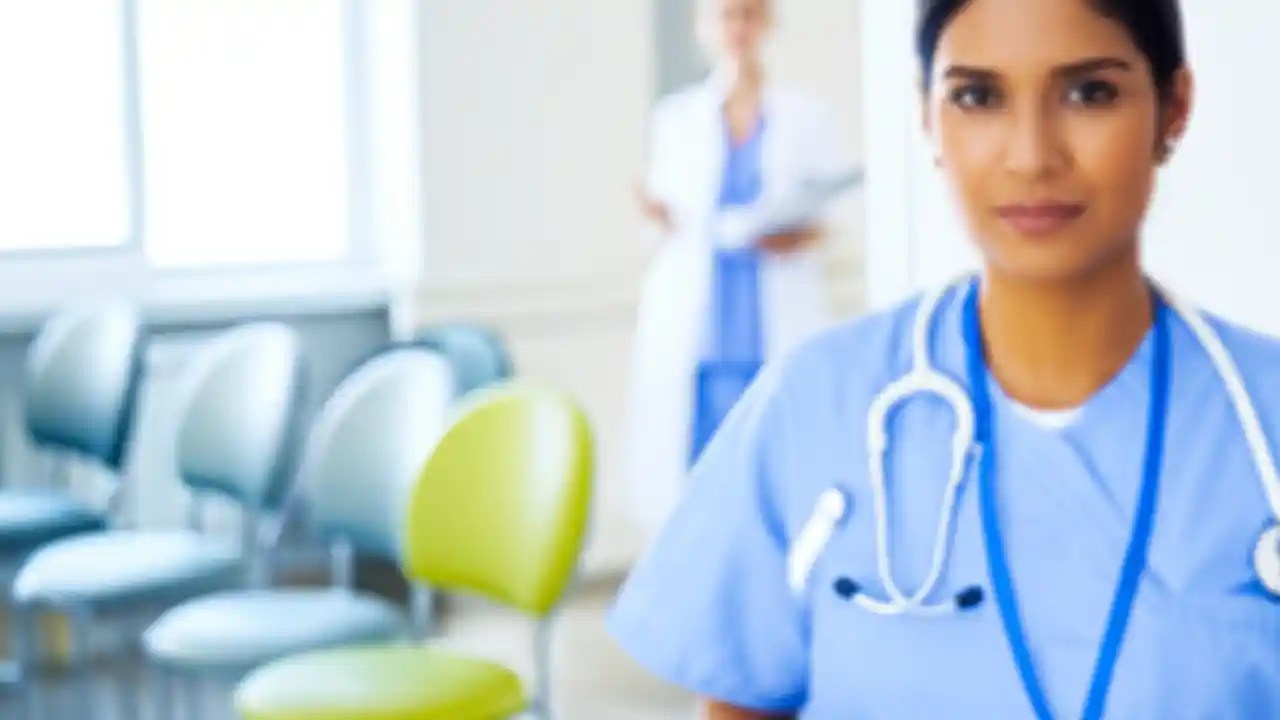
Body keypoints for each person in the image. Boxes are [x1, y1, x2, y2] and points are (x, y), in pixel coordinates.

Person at [609, 0, 1280, 717]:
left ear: (1173, 107)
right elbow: (739, 703)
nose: (1032, 155)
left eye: (1090, 93)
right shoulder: (817, 407)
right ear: (928, 117)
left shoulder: (1259, 418)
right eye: (977, 97)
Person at [627, 0, 852, 531]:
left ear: (768, 22)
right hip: (700, 328)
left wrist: (798, 232)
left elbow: (835, 212)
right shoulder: (677, 119)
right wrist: (657, 218)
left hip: (773, 312)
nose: (737, 28)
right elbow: (664, 228)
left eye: (749, 14)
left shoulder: (806, 116)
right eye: (725, 15)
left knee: (775, 469)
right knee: (699, 476)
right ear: (704, 28)